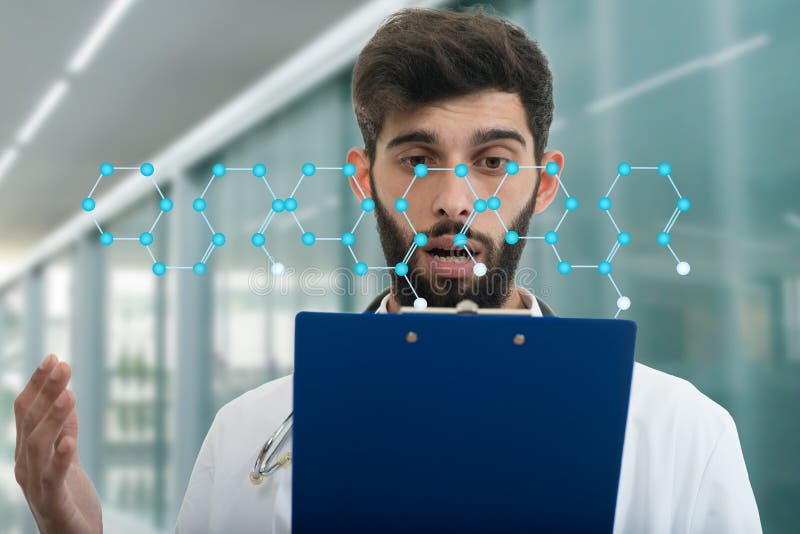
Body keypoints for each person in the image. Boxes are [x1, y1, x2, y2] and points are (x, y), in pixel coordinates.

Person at [13, 7, 761, 533]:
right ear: (364, 177)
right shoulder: (248, 433)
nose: (454, 200)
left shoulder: (682, 433)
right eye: (417, 159)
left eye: (493, 162)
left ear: (544, 183)